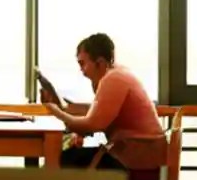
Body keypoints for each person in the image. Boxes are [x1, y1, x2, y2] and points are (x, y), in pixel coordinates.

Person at [42, 33, 163, 170]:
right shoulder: (118, 73)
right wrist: (65, 108)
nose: (82, 71)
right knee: (70, 156)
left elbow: (91, 125)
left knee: (64, 159)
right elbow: (97, 112)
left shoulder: (113, 79)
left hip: (137, 161)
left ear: (99, 63)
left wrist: (57, 112)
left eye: (83, 64)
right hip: (142, 156)